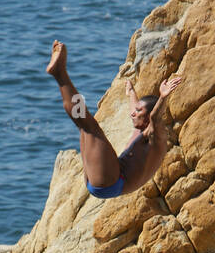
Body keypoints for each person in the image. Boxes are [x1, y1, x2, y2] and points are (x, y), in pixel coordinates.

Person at [47, 40, 182, 199]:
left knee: (89, 125)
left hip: (113, 181)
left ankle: (60, 73)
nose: (133, 113)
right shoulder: (141, 126)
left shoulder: (157, 137)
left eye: (139, 111)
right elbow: (136, 109)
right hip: (101, 179)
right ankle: (60, 73)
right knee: (84, 126)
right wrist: (131, 93)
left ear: (148, 118)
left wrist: (163, 97)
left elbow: (155, 116)